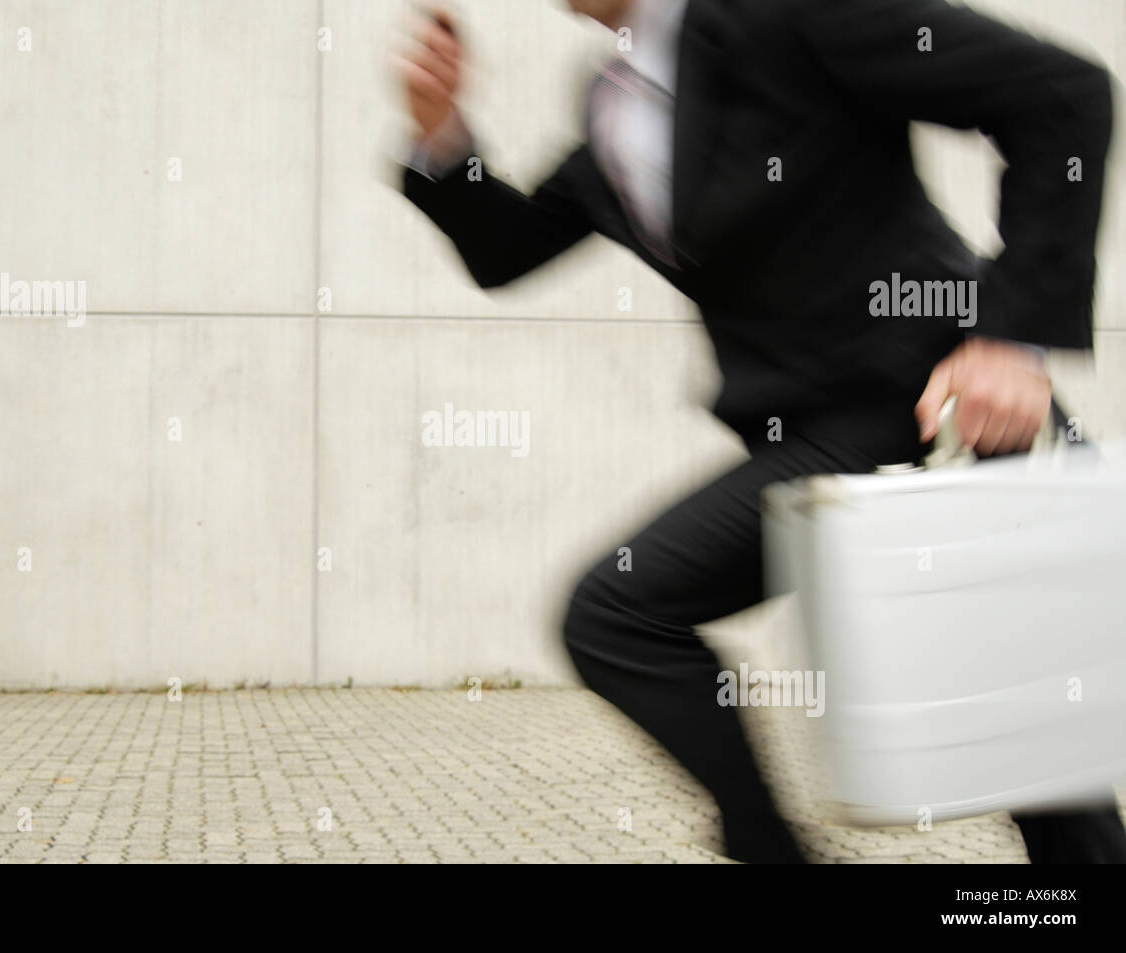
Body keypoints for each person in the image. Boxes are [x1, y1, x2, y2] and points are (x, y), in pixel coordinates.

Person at [394, 0, 1124, 863]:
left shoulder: (790, 15)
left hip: (934, 413)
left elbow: (1063, 94)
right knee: (623, 614)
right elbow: (510, 249)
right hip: (814, 455)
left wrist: (1010, 341)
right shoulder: (613, 102)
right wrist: (444, 142)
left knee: (1043, 779)